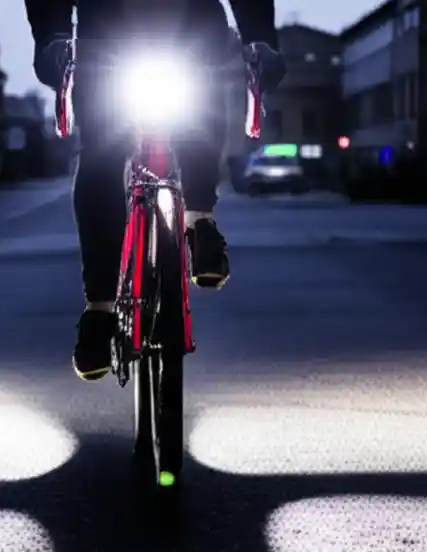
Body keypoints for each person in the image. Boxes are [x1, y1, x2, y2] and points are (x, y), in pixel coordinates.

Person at [24, 0, 286, 380]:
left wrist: (260, 39)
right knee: (101, 152)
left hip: (192, 36)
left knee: (200, 110)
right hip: (104, 46)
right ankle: (100, 308)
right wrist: (53, 39)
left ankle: (199, 218)